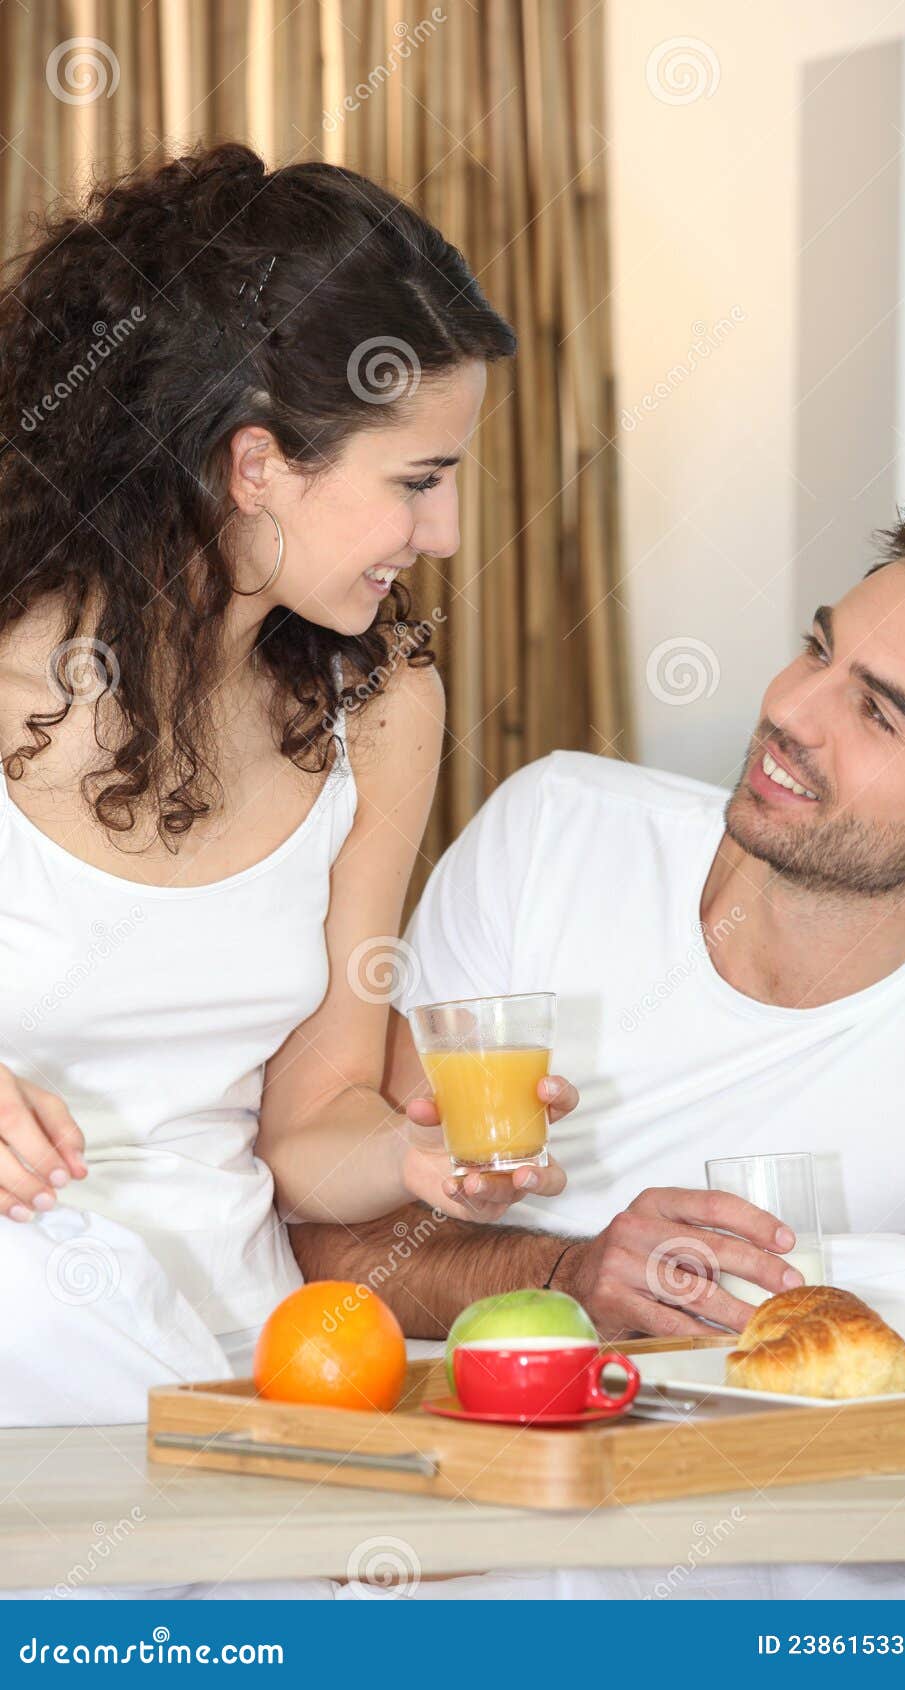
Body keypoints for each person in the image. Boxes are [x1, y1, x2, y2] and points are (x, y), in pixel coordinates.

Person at [0, 140, 576, 1426]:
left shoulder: (379, 710)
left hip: (256, 1365)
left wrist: (415, 1157)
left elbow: (308, 1133)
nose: (442, 536)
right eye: (417, 482)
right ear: (254, 466)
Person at [291, 496, 905, 1368]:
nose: (792, 710)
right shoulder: (558, 832)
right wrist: (565, 1275)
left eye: (877, 714)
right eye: (817, 649)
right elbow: (330, 1246)